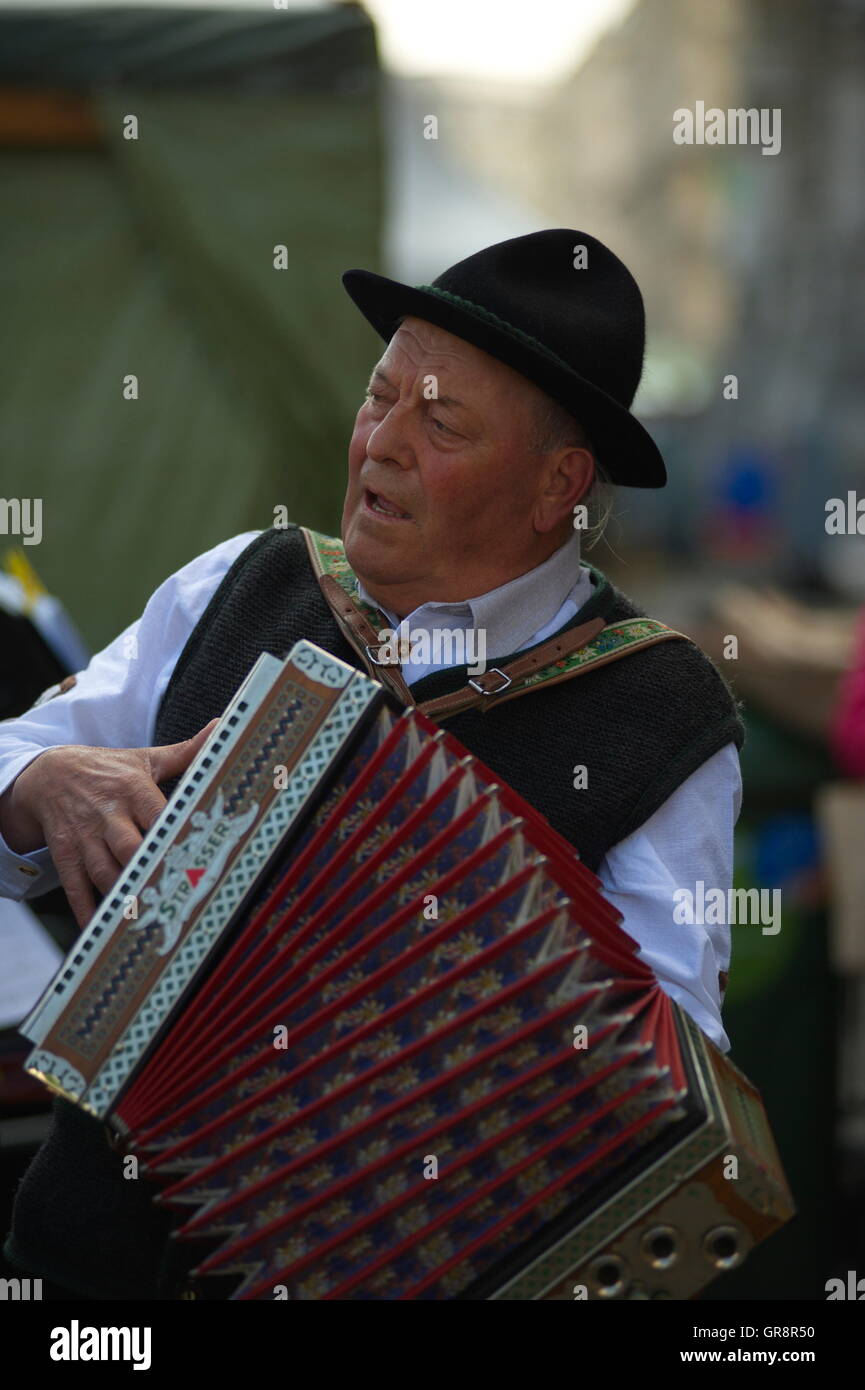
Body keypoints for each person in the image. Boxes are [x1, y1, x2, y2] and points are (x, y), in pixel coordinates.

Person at [0, 229, 744, 1299]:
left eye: (439, 420)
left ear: (556, 486)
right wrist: (44, 784)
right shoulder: (241, 582)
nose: (381, 443)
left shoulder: (660, 707)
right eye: (378, 396)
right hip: (91, 1268)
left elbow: (670, 1069)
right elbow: (15, 754)